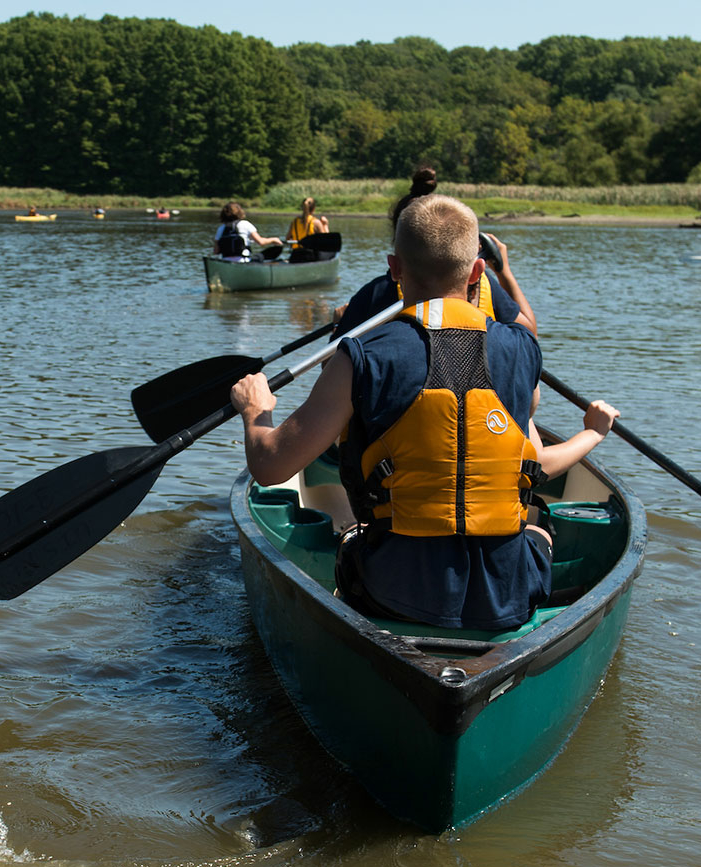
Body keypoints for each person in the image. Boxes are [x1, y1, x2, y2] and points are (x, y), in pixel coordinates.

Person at [230, 194, 620, 630]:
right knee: (538, 528)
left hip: (392, 595)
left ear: (395, 269)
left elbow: (269, 466)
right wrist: (592, 432)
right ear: (477, 272)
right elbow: (533, 458)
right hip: (506, 596)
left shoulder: (359, 355)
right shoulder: (523, 349)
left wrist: (256, 410)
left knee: (353, 533)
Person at [332, 166, 536, 338]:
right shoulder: (482, 283)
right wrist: (503, 271)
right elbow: (529, 335)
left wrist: (339, 325)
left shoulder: (377, 293)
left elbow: (330, 364)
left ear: (395, 258)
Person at [212, 202, 282, 259]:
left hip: (225, 261)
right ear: (240, 212)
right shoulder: (245, 224)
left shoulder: (221, 228)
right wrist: (273, 240)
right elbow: (261, 242)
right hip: (243, 261)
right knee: (276, 249)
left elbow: (216, 251)